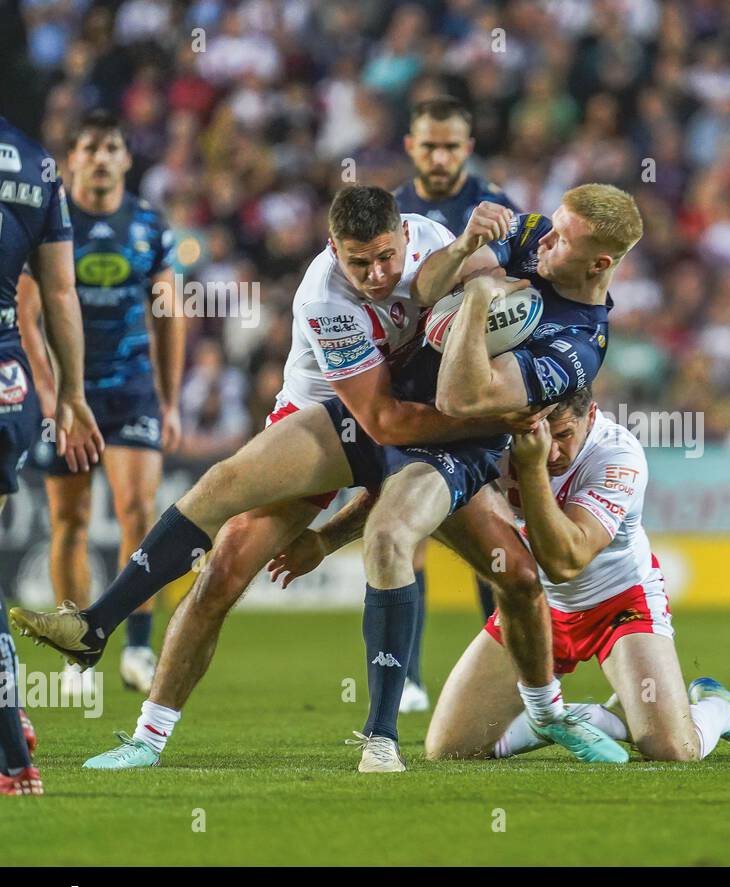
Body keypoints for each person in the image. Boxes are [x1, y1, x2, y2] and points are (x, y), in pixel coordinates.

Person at [14, 184, 642, 771]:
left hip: (447, 437)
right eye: (358, 262)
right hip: (345, 412)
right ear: (334, 249)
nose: (376, 276)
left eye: (385, 259)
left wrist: (480, 341)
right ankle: (126, 689)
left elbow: (450, 394)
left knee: (515, 577)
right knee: (224, 543)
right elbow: (383, 416)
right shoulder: (331, 293)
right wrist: (470, 263)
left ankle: (537, 714)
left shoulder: (577, 343)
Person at [273, 387, 730, 762]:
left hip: (619, 604)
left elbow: (566, 559)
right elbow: (407, 491)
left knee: (673, 749)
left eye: (565, 435)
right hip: (534, 607)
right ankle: (577, 718)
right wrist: (326, 539)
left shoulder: (618, 454)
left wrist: (533, 466)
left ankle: (716, 707)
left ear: (591, 416)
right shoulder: (495, 441)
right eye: (540, 435)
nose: (555, 450)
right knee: (450, 749)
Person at [17, 110, 183, 695]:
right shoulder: (49, 221)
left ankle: (137, 645)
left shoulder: (150, 225)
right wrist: (51, 393)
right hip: (71, 394)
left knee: (139, 510)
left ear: (126, 159)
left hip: (132, 391)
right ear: (72, 160)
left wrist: (169, 401)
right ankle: (74, 650)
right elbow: (28, 315)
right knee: (72, 519)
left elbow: (169, 315)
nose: (101, 158)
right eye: (89, 148)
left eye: (112, 147)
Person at [392, 94, 517, 713]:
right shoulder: (391, 210)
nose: (439, 157)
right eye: (429, 146)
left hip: (474, 388)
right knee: (404, 532)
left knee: (490, 535)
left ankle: (504, 673)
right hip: (409, 387)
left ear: (467, 148)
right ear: (410, 147)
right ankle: (410, 680)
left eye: (450, 147)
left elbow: (518, 285)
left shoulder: (493, 206)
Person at [0, 114, 104, 795]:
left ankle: (13, 760)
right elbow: (60, 291)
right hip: (9, 384)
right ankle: (13, 721)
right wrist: (71, 394)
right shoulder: (36, 165)